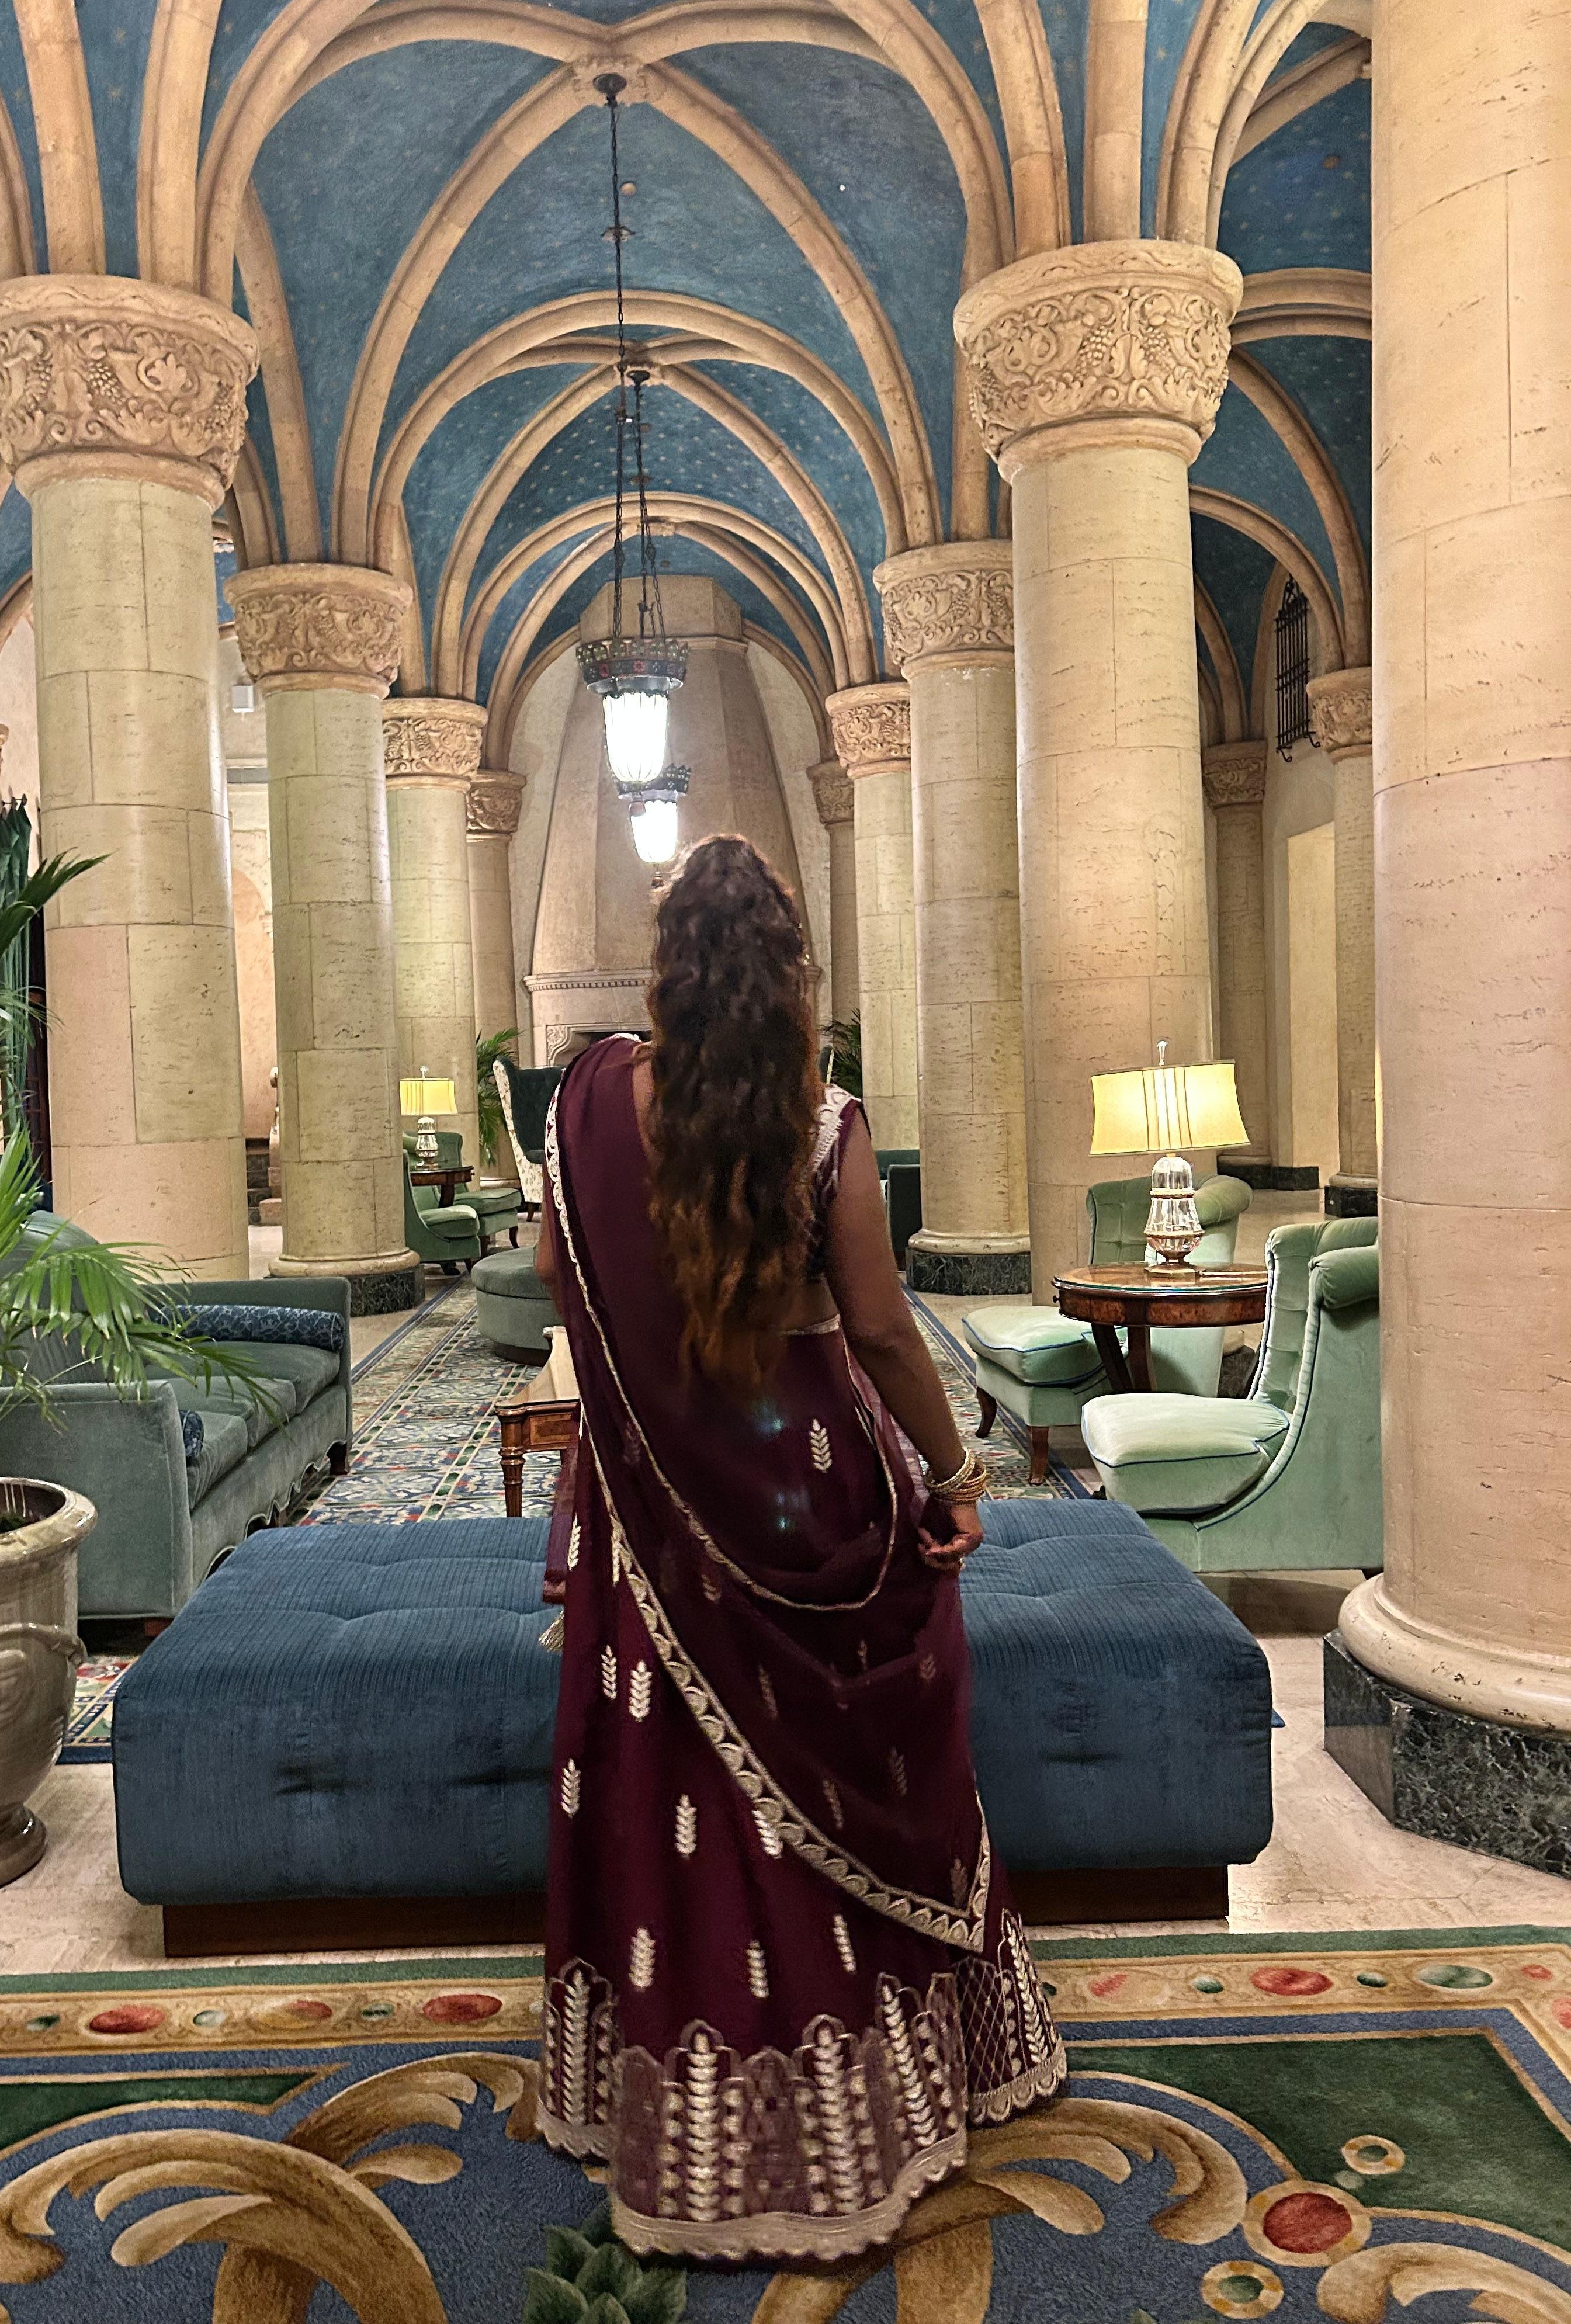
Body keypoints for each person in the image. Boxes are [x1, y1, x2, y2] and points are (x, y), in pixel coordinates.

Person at [533, 834, 1063, 2262]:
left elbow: (555, 1271)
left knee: (676, 1778)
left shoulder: (587, 1100)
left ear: (667, 968)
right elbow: (881, 1329)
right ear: (792, 975)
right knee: (858, 1752)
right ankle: (874, 2096)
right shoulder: (825, 1126)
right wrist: (955, 1475)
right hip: (811, 1490)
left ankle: (680, 2108)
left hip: (655, 1516)